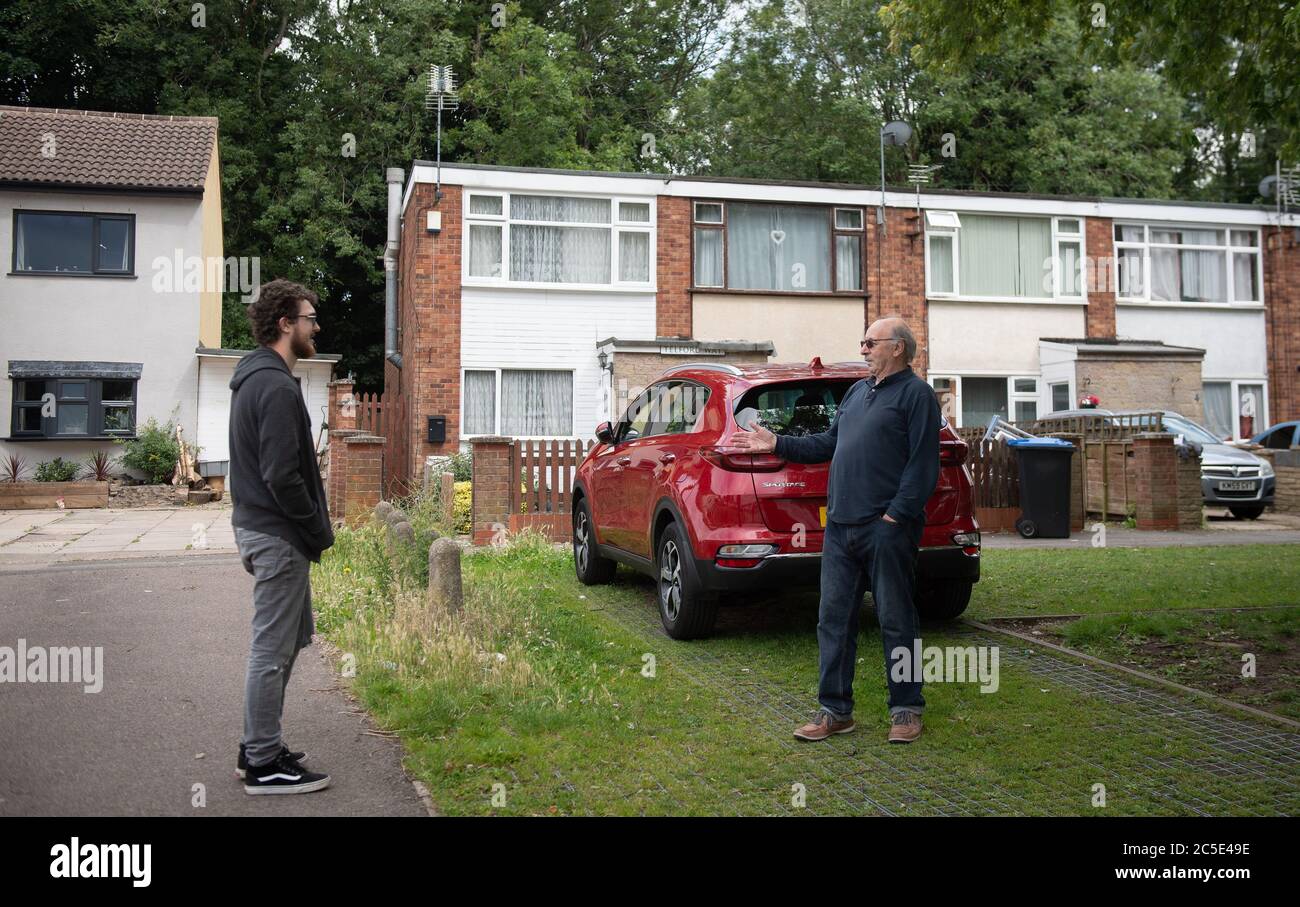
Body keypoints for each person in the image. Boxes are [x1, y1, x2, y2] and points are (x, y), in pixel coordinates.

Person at [731, 316, 940, 743]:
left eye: (870, 342)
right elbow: (828, 443)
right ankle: (835, 711)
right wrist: (778, 443)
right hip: (841, 529)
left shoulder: (916, 396)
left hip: (887, 528)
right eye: (862, 343)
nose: (862, 349)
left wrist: (895, 516)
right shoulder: (858, 393)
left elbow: (923, 465)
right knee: (833, 620)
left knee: (897, 619)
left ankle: (905, 710)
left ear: (897, 347)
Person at [229, 278, 335, 793]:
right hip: (277, 536)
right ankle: (264, 763)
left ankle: (258, 743)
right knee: (271, 649)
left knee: (290, 640)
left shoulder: (261, 380)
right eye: (309, 318)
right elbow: (281, 475)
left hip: (268, 532)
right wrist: (316, 527)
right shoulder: (271, 386)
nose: (316, 326)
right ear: (284, 324)